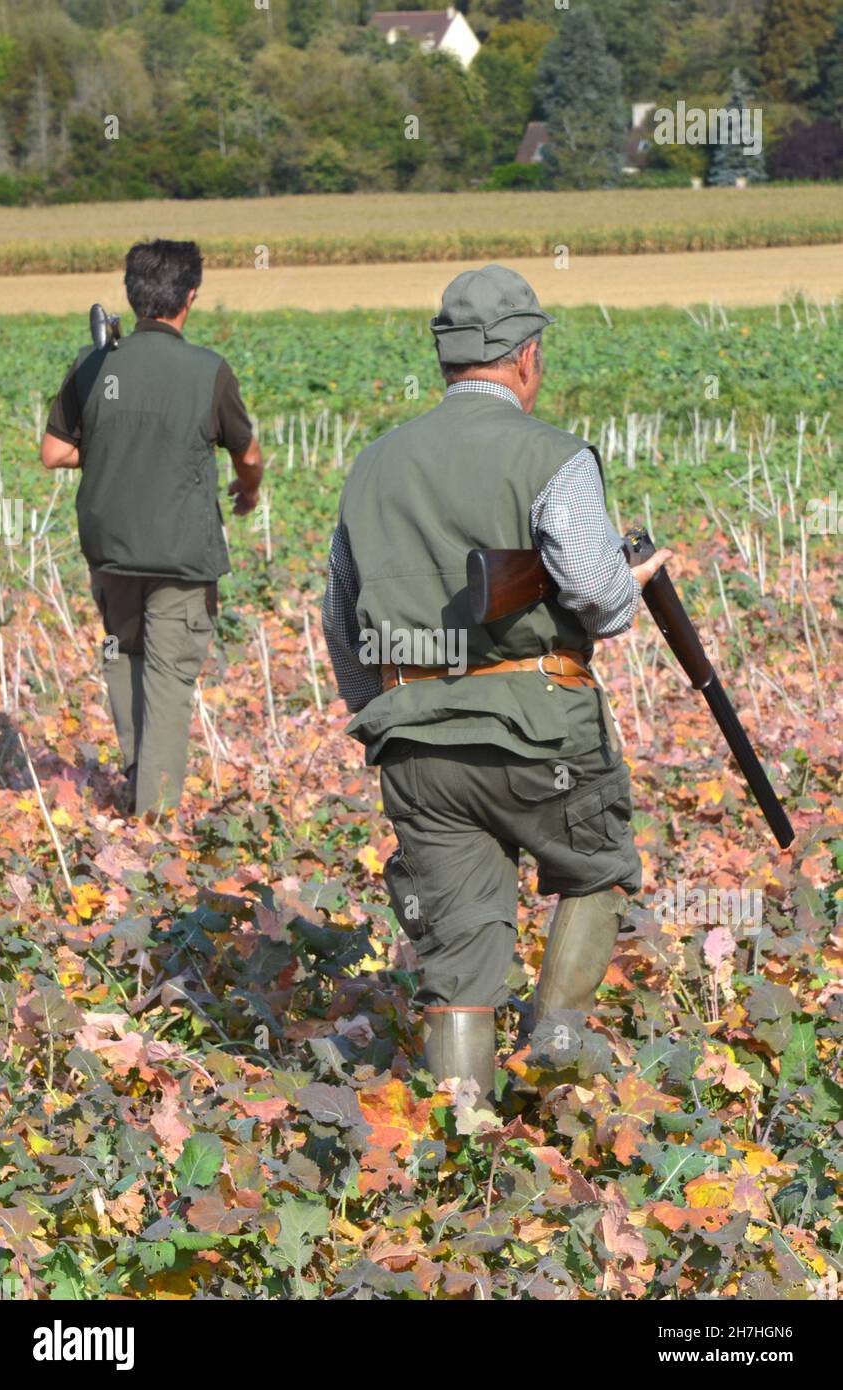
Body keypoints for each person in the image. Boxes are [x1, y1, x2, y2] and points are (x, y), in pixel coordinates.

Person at [322, 264, 672, 1102]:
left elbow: (340, 617)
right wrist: (634, 585)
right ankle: (550, 1056)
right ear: (527, 357)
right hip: (539, 726)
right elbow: (594, 590)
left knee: (460, 949)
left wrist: (384, 709)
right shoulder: (551, 455)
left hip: (413, 736)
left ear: (448, 361)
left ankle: (464, 1143)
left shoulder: (372, 464)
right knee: (597, 871)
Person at [41, 239, 264, 817]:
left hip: (109, 547)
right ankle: (155, 816)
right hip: (180, 553)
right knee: (169, 676)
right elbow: (248, 453)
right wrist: (250, 489)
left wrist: (114, 447)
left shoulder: (93, 365)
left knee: (122, 657)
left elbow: (53, 452)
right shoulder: (208, 371)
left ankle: (141, 781)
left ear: (132, 297)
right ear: (190, 296)